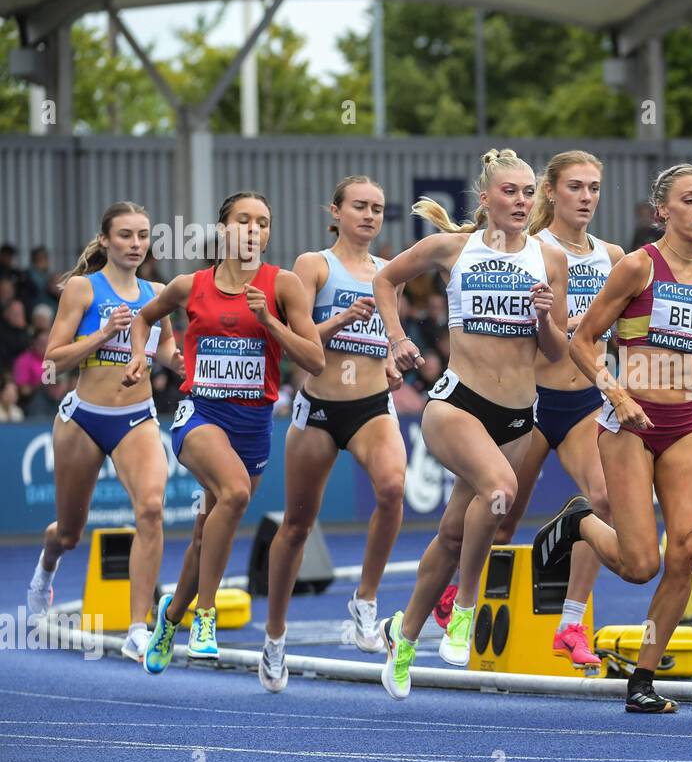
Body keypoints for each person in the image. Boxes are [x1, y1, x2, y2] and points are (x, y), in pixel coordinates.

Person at [534, 163, 692, 714]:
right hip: (629, 424)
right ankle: (580, 520)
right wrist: (615, 394)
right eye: (690, 200)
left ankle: (642, 680)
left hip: (685, 425)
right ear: (662, 212)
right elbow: (582, 340)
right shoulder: (637, 268)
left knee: (687, 550)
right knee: (639, 564)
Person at [371, 149, 569, 697]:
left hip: (517, 418)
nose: (521, 202)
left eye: (529, 193)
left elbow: (554, 353)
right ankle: (464, 607)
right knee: (501, 492)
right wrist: (397, 338)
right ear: (485, 199)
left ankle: (402, 636)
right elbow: (386, 281)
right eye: (509, 192)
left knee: (455, 532)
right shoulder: (453, 248)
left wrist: (544, 319)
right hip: (457, 403)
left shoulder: (550, 259)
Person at [127, 191, 325, 673]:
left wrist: (269, 322)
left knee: (205, 534)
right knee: (234, 493)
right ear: (223, 229)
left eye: (262, 222)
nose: (253, 230)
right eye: (243, 220)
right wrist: (142, 354)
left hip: (253, 425)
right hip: (199, 414)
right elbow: (142, 318)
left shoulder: (284, 286)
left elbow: (316, 359)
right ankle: (205, 615)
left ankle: (170, 618)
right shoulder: (188, 285)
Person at [258, 176, 408, 692]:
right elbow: (294, 343)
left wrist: (392, 359)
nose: (369, 215)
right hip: (318, 409)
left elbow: (388, 335)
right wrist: (342, 318)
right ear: (336, 211)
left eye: (378, 208)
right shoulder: (313, 265)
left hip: (371, 405)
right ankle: (275, 637)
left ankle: (365, 600)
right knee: (297, 527)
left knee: (392, 488)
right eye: (360, 206)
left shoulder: (391, 273)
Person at [483, 151, 626, 670]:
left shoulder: (611, 255)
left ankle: (570, 622)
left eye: (593, 188)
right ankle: (458, 597)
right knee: (501, 515)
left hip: (585, 399)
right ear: (551, 192)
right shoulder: (530, 249)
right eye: (575, 188)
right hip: (531, 398)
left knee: (604, 497)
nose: (586, 197)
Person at [27, 202, 181, 662]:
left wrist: (180, 361)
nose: (136, 244)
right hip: (83, 419)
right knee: (70, 533)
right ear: (106, 240)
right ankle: (46, 567)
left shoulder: (158, 291)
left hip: (137, 419)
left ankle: (137, 626)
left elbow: (168, 344)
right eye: (126, 235)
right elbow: (52, 362)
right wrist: (103, 335)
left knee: (151, 509)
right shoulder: (81, 289)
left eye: (142, 236)